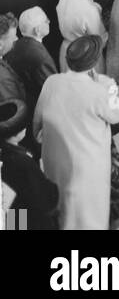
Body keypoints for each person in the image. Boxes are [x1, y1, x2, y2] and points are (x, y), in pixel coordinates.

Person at [33, 34, 119, 229]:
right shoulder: (99, 91)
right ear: (94, 63)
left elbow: (37, 122)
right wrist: (112, 89)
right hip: (87, 168)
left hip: (55, 163)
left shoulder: (52, 82)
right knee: (89, 215)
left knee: (62, 210)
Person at [0, 97, 60, 231]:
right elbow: (46, 200)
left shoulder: (6, 155)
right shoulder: (23, 162)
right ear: (19, 132)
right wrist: (44, 177)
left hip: (12, 217)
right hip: (30, 220)